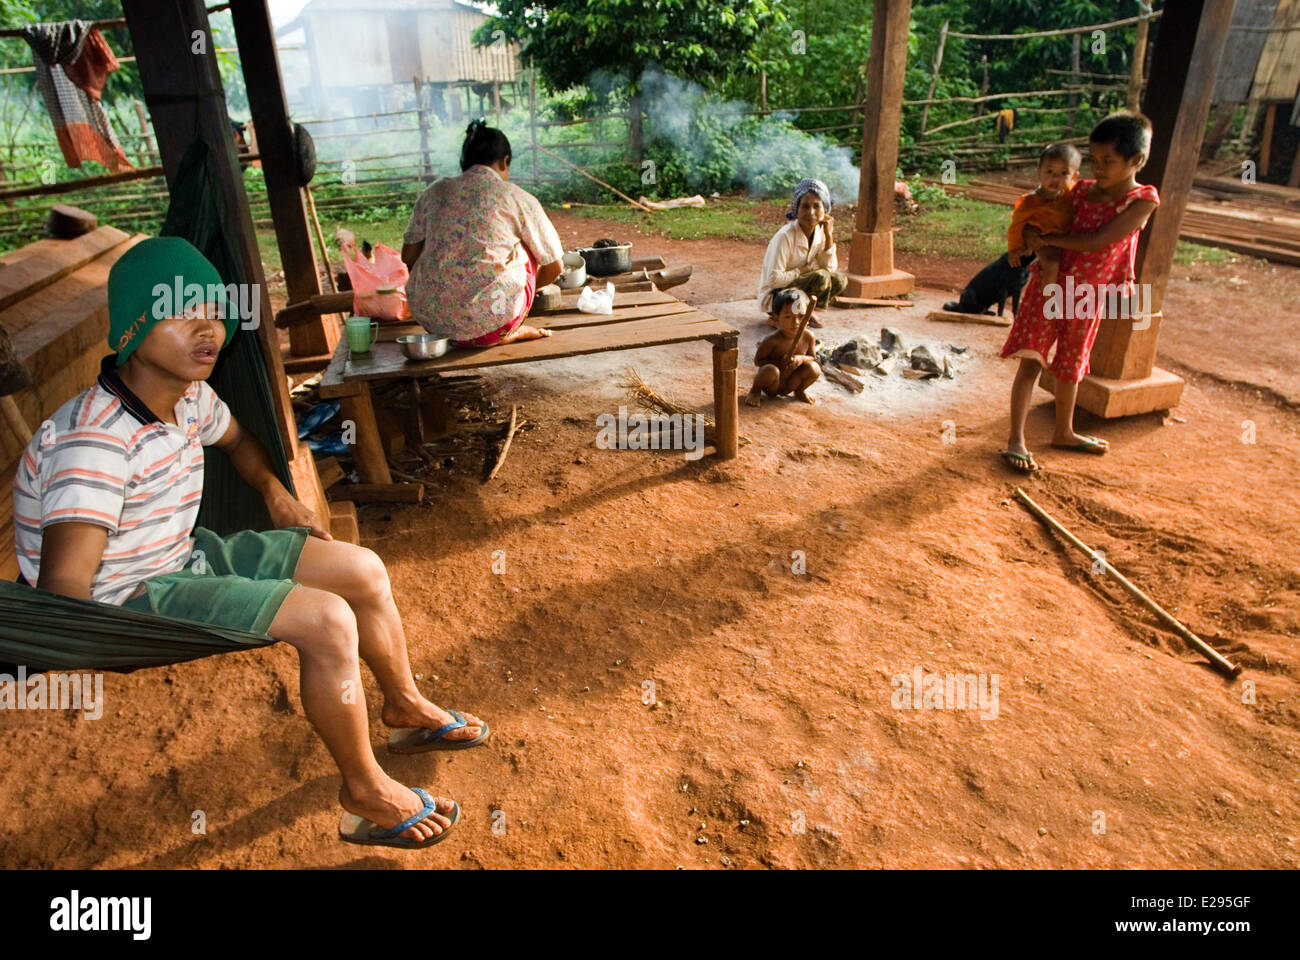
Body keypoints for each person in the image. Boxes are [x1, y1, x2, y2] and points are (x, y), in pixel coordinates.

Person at [13, 238, 488, 849]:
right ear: (133, 327)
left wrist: (275, 494)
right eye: (183, 312)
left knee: (363, 570)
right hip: (126, 599)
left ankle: (402, 706)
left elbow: (238, 441)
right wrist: (59, 657)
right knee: (328, 621)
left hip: (185, 554)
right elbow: (64, 594)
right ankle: (364, 792)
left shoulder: (188, 398)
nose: (208, 327)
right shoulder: (94, 447)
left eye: (213, 311)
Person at [999, 112, 1160, 473]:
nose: (1098, 168)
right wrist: (1028, 235)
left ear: (1137, 161)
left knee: (1071, 366)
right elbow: (1038, 211)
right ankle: (1016, 439)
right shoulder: (1079, 190)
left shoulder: (1142, 200)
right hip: (1050, 287)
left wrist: (1047, 239)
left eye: (1108, 161)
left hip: (1087, 295)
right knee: (1032, 360)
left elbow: (1097, 241)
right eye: (1094, 159)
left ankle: (1064, 432)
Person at [401, 119, 564, 347]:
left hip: (433, 322)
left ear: (464, 163)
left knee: (430, 246)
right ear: (505, 161)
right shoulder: (517, 197)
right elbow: (555, 267)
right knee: (526, 250)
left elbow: (408, 257)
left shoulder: (434, 192)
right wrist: (515, 297)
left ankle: (464, 328)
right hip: (492, 325)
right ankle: (505, 331)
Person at [757, 177, 846, 326]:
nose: (811, 212)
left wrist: (829, 237)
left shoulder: (820, 232)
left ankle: (805, 312)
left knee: (839, 280)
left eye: (817, 206)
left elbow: (830, 269)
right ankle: (779, 315)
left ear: (825, 210)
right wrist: (801, 271)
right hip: (776, 297)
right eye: (805, 206)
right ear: (796, 210)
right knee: (821, 277)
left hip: (796, 292)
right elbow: (773, 279)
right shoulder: (785, 236)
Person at [1007, 142, 1081, 287]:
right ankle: (1050, 298)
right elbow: (1016, 226)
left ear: (1074, 176)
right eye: (1049, 172)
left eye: (1063, 173)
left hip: (1069, 240)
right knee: (1051, 263)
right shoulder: (1029, 201)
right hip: (1044, 241)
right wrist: (1015, 249)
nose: (1055, 179)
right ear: (1039, 171)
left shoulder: (1072, 194)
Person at [745, 288, 821, 406]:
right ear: (776, 318)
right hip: (773, 384)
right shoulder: (772, 340)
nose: (796, 322)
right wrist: (778, 362)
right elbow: (758, 361)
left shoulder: (808, 337)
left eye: (801, 316)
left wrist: (800, 359)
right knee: (770, 370)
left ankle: (799, 391)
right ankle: (755, 391)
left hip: (792, 382)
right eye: (788, 317)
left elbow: (812, 357)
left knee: (814, 368)